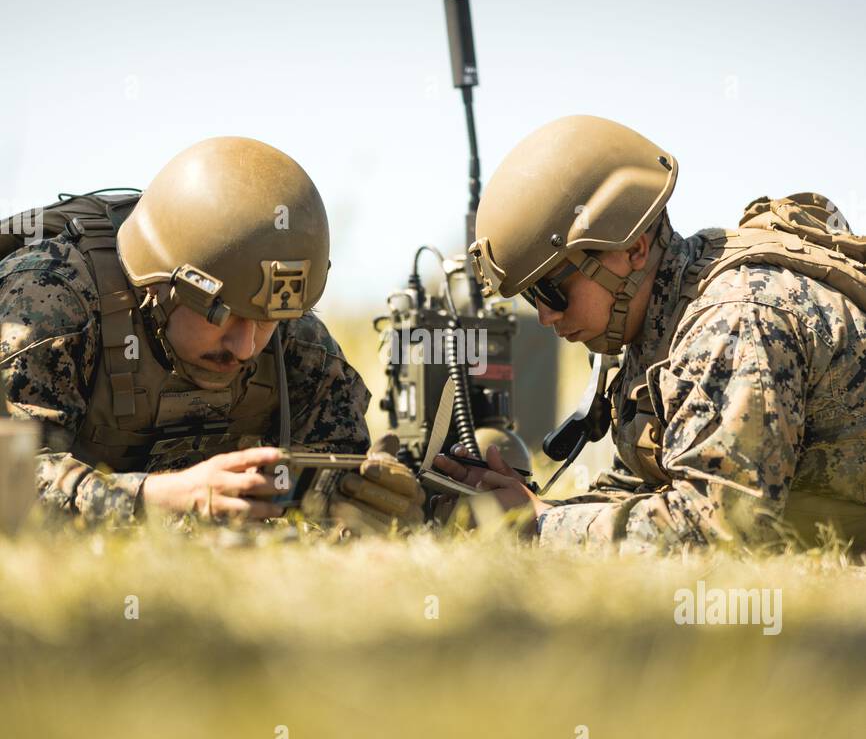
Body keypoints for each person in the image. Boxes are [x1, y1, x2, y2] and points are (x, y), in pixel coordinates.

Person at [434, 115, 866, 553]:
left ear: (632, 250)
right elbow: (647, 498)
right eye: (532, 297)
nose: (545, 316)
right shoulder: (654, 324)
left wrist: (542, 525)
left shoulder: (734, 318)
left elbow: (720, 529)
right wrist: (521, 510)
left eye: (552, 289)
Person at [0, 135, 423, 531]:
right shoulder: (51, 303)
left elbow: (338, 474)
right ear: (158, 287)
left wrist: (370, 500)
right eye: (224, 315)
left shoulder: (295, 340)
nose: (245, 347)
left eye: (267, 320)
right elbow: (11, 483)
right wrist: (158, 498)